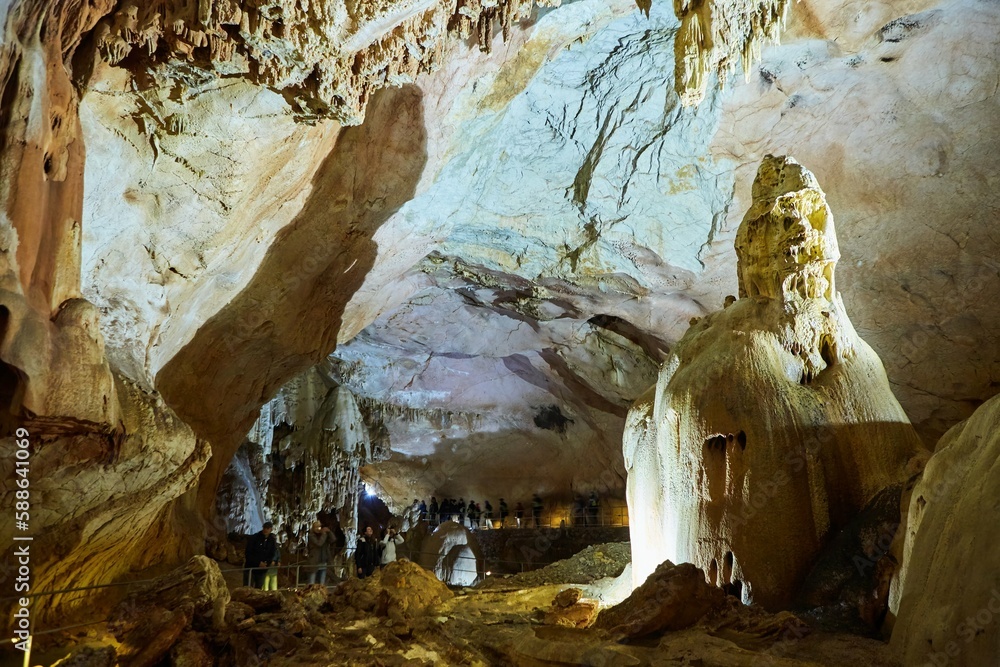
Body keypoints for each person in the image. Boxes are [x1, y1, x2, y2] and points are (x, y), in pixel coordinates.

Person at [244, 521, 278, 588]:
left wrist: (266, 563)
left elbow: (272, 553)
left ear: (271, 529)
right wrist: (258, 563)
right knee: (247, 587)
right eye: (264, 528)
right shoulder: (255, 538)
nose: (265, 530)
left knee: (259, 587)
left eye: (267, 528)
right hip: (251, 567)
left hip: (262, 569)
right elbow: (249, 553)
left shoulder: (271, 540)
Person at [305, 520, 332, 585]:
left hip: (323, 561)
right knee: (311, 583)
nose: (318, 529)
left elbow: (333, 540)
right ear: (313, 528)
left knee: (322, 584)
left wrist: (329, 532)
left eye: (319, 527)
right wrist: (324, 534)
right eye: (316, 527)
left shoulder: (323, 535)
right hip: (314, 561)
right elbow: (319, 543)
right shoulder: (311, 536)